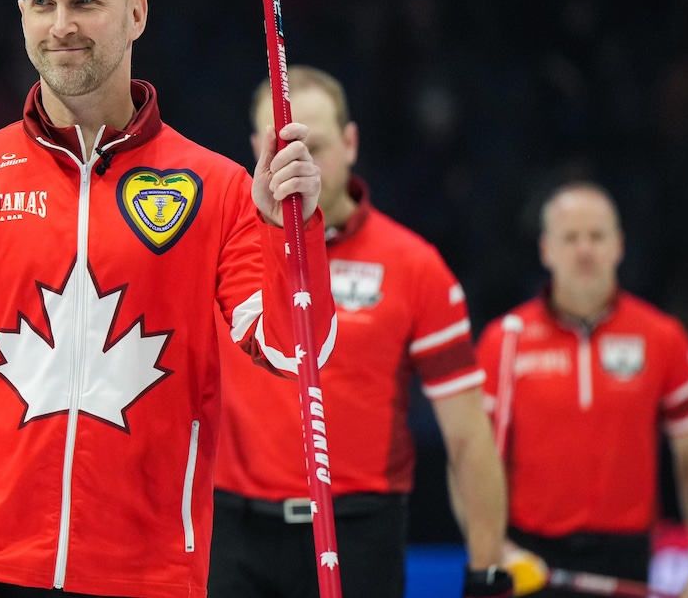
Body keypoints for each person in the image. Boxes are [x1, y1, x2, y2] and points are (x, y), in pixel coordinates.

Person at [0, 0, 336, 598]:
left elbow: (294, 351)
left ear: (136, 14)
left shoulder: (222, 189)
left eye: (85, 2)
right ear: (21, 15)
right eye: (43, 4)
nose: (62, 26)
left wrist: (290, 228)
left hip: (148, 578)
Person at [209, 66, 511, 598]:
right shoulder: (224, 252)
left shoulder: (415, 266)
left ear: (351, 144)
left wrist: (487, 569)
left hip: (359, 531)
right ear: (256, 148)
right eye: (279, 147)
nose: (296, 165)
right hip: (235, 533)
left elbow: (468, 437)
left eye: (314, 146)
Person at [476, 181, 688, 598]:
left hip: (624, 559)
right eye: (570, 238)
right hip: (527, 560)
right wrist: (493, 545)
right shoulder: (505, 339)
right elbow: (473, 462)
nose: (584, 250)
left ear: (619, 246)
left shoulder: (662, 338)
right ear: (545, 250)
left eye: (596, 236)